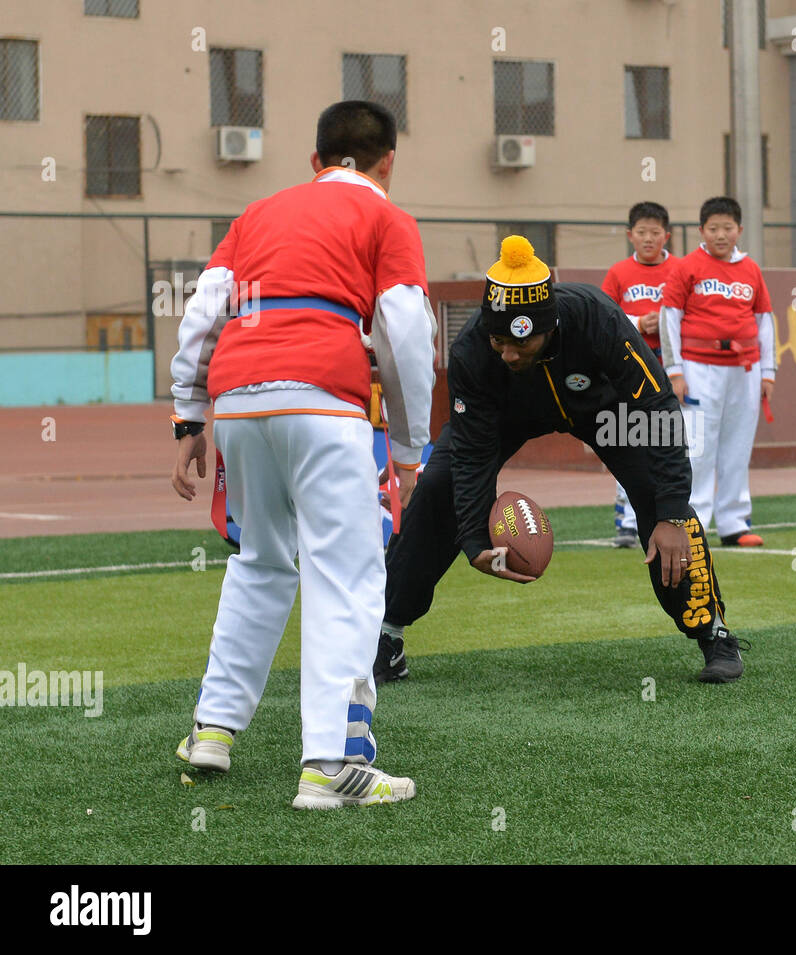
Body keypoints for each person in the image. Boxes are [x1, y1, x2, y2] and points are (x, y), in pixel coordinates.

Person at [169, 100, 435, 809]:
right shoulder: (387, 218)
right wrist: (410, 448)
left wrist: (189, 415)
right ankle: (332, 764)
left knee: (259, 561)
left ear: (315, 161)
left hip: (239, 399)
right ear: (388, 161)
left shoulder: (257, 214)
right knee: (345, 574)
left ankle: (212, 730)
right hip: (324, 400)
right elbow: (406, 330)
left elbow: (203, 310)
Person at [375, 236, 748, 685]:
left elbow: (658, 407)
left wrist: (669, 513)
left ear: (549, 326)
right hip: (508, 413)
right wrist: (473, 542)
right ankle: (387, 633)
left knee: (661, 497)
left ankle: (712, 631)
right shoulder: (473, 351)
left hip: (605, 412)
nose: (507, 353)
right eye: (498, 341)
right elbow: (471, 457)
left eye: (520, 342)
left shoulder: (596, 316)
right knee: (440, 484)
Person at [660, 197, 775, 547]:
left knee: (737, 445)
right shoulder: (687, 267)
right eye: (713, 228)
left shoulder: (751, 269)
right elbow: (669, 318)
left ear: (739, 230)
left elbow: (764, 321)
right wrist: (674, 371)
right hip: (699, 367)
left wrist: (768, 371)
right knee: (697, 448)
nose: (721, 235)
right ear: (701, 230)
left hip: (745, 369)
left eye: (727, 228)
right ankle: (693, 523)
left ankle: (734, 523)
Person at [601, 201, 676, 548]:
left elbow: (693, 313)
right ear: (630, 235)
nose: (649, 239)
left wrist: (665, 324)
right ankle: (628, 523)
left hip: (669, 363)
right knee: (629, 437)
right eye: (642, 232)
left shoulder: (680, 270)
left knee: (672, 440)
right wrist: (638, 323)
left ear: (667, 236)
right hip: (629, 365)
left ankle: (673, 515)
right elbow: (604, 318)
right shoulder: (619, 273)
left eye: (655, 232)